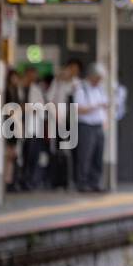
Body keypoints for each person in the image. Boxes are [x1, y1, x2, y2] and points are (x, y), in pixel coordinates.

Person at [46, 60, 81, 190]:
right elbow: (49, 99)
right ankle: (58, 180)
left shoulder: (78, 84)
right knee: (59, 151)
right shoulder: (58, 82)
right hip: (60, 120)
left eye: (75, 69)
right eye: (70, 69)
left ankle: (72, 180)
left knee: (73, 151)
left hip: (73, 120)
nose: (72, 72)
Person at [74, 65, 109, 192]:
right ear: (91, 76)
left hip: (98, 125)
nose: (98, 81)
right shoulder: (81, 89)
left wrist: (105, 120)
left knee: (98, 155)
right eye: (97, 78)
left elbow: (105, 106)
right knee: (85, 155)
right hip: (86, 126)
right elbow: (79, 109)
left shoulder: (100, 89)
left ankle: (95, 182)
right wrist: (95, 106)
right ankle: (82, 182)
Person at [18, 67, 48, 190]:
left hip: (33, 128)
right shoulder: (19, 88)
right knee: (21, 154)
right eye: (30, 74)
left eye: (34, 75)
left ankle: (29, 180)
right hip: (18, 125)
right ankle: (20, 180)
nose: (32, 77)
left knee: (32, 155)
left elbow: (41, 108)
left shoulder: (36, 90)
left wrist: (28, 107)